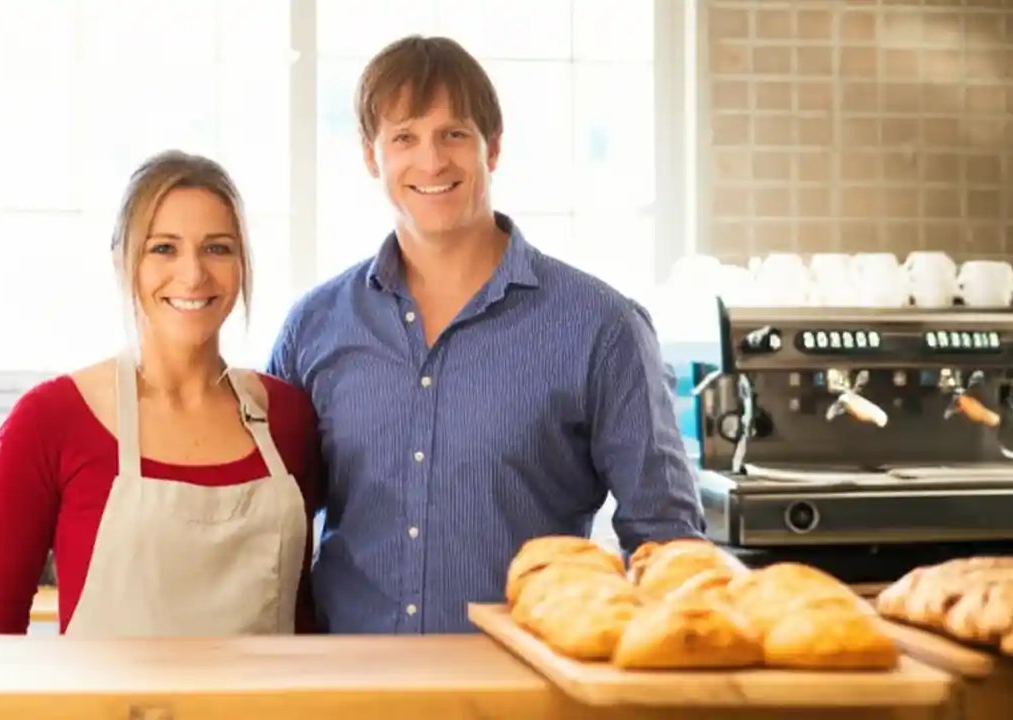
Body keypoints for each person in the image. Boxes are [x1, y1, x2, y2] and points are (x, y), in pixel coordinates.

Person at [266, 36, 705, 634]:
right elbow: (272, 529)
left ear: (492, 147)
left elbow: (668, 541)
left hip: (524, 685)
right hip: (350, 683)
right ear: (372, 157)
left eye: (453, 134)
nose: (431, 162)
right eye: (404, 138)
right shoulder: (313, 328)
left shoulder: (601, 327)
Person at [0, 150, 322, 636]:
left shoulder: (287, 417)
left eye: (217, 248)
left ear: (242, 264)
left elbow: (301, 611)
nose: (193, 274)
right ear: (122, 262)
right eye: (163, 248)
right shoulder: (50, 420)